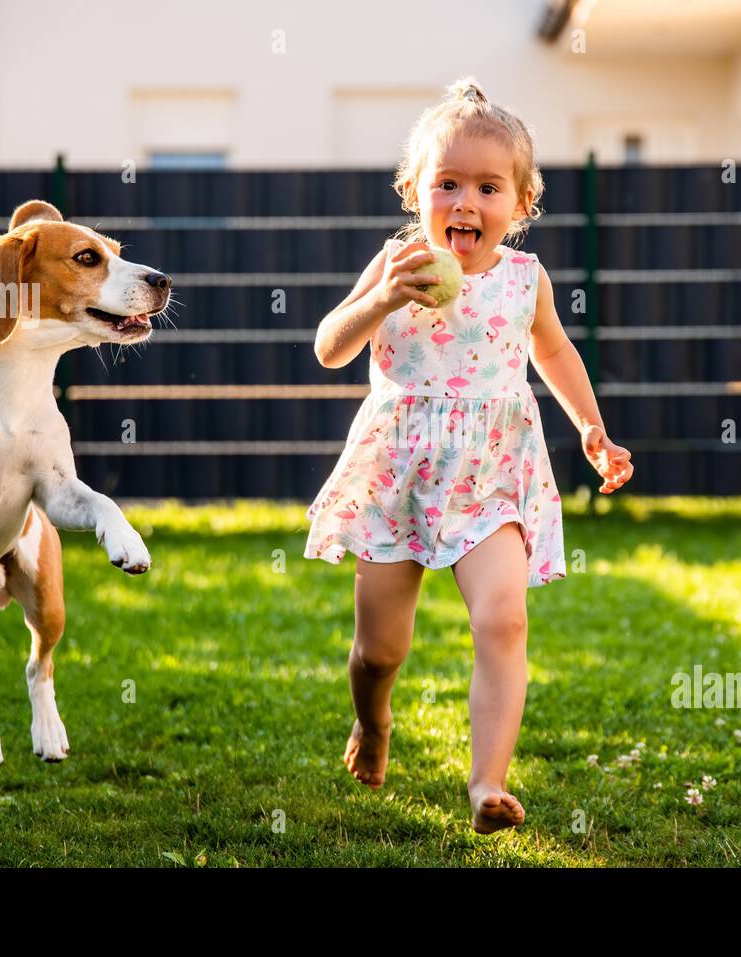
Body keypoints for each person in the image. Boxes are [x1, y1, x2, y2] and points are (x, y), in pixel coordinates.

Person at [304, 77, 633, 833]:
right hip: (399, 471)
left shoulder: (525, 279)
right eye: (446, 183)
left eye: (489, 187)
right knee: (380, 648)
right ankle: (374, 719)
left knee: (504, 620)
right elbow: (329, 347)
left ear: (520, 206)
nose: (465, 203)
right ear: (413, 192)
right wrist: (379, 300)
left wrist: (590, 425)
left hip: (491, 474)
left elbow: (552, 349)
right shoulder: (398, 265)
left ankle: (487, 783)